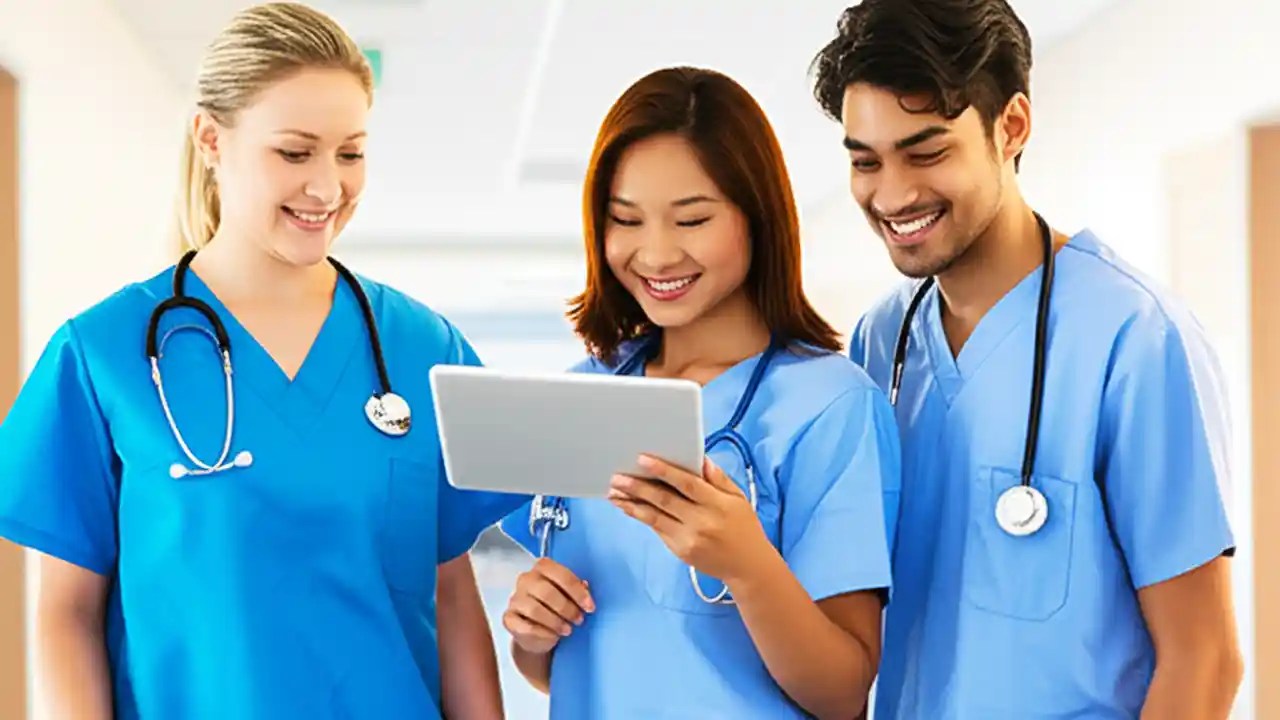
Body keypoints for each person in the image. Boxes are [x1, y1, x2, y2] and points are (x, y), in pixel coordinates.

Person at [0, 3, 522, 718]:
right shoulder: (103, 354)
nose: (328, 187)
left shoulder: (422, 350)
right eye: (295, 152)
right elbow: (66, 614)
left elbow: (454, 596)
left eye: (350, 152)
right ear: (211, 139)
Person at [808, 1, 1245, 718]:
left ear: (1011, 127)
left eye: (926, 153)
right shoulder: (879, 343)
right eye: (866, 161)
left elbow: (1203, 659)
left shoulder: (1135, 338)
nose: (891, 193)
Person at [495, 66, 901, 720]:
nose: (655, 255)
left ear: (755, 217)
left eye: (691, 220)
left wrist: (746, 565)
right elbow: (573, 660)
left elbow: (842, 692)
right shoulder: (584, 394)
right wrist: (532, 635)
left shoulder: (830, 405)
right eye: (626, 220)